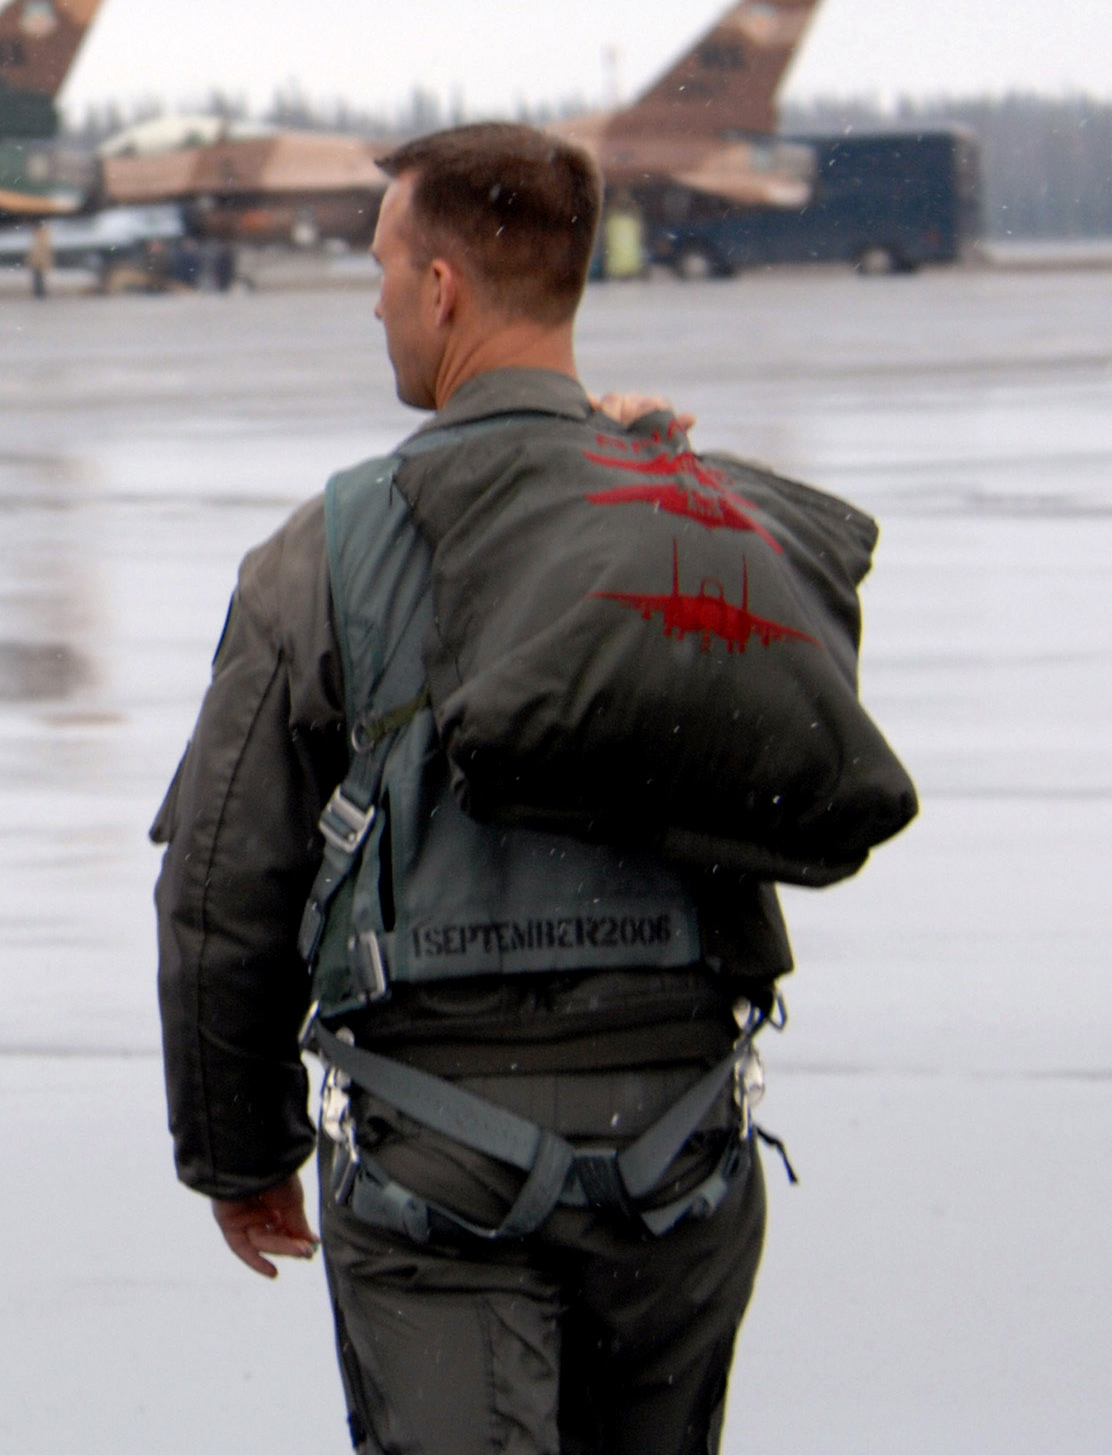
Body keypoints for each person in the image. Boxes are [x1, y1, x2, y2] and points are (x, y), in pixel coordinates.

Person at [151, 123, 840, 1455]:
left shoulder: (319, 556)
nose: (375, 297)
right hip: (681, 1157)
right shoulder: (705, 511)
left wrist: (239, 1155)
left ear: (447, 289)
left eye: (386, 266)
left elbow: (222, 889)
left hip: (437, 1174)